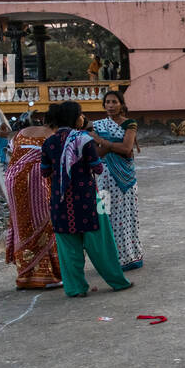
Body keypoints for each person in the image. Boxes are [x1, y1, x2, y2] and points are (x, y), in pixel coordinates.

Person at [39, 100, 133, 297]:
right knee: (102, 245)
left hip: (60, 202)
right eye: (81, 114)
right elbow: (97, 167)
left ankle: (75, 289)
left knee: (68, 250)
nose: (83, 117)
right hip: (89, 200)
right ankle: (117, 282)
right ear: (75, 118)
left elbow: (45, 172)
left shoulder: (48, 143)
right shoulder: (84, 140)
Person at [4, 106, 64, 291]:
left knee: (22, 226)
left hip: (13, 181)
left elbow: (9, 155)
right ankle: (49, 276)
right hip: (38, 181)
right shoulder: (53, 137)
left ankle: (25, 276)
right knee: (47, 226)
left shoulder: (20, 133)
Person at [90, 90, 142, 270]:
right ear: (104, 105)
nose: (110, 105)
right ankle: (108, 260)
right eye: (107, 102)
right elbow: (96, 153)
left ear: (121, 104)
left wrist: (102, 141)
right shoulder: (98, 125)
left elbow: (127, 148)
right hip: (103, 177)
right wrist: (111, 145)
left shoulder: (130, 123)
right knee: (104, 216)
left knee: (127, 216)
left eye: (114, 102)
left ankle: (129, 257)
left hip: (125, 178)